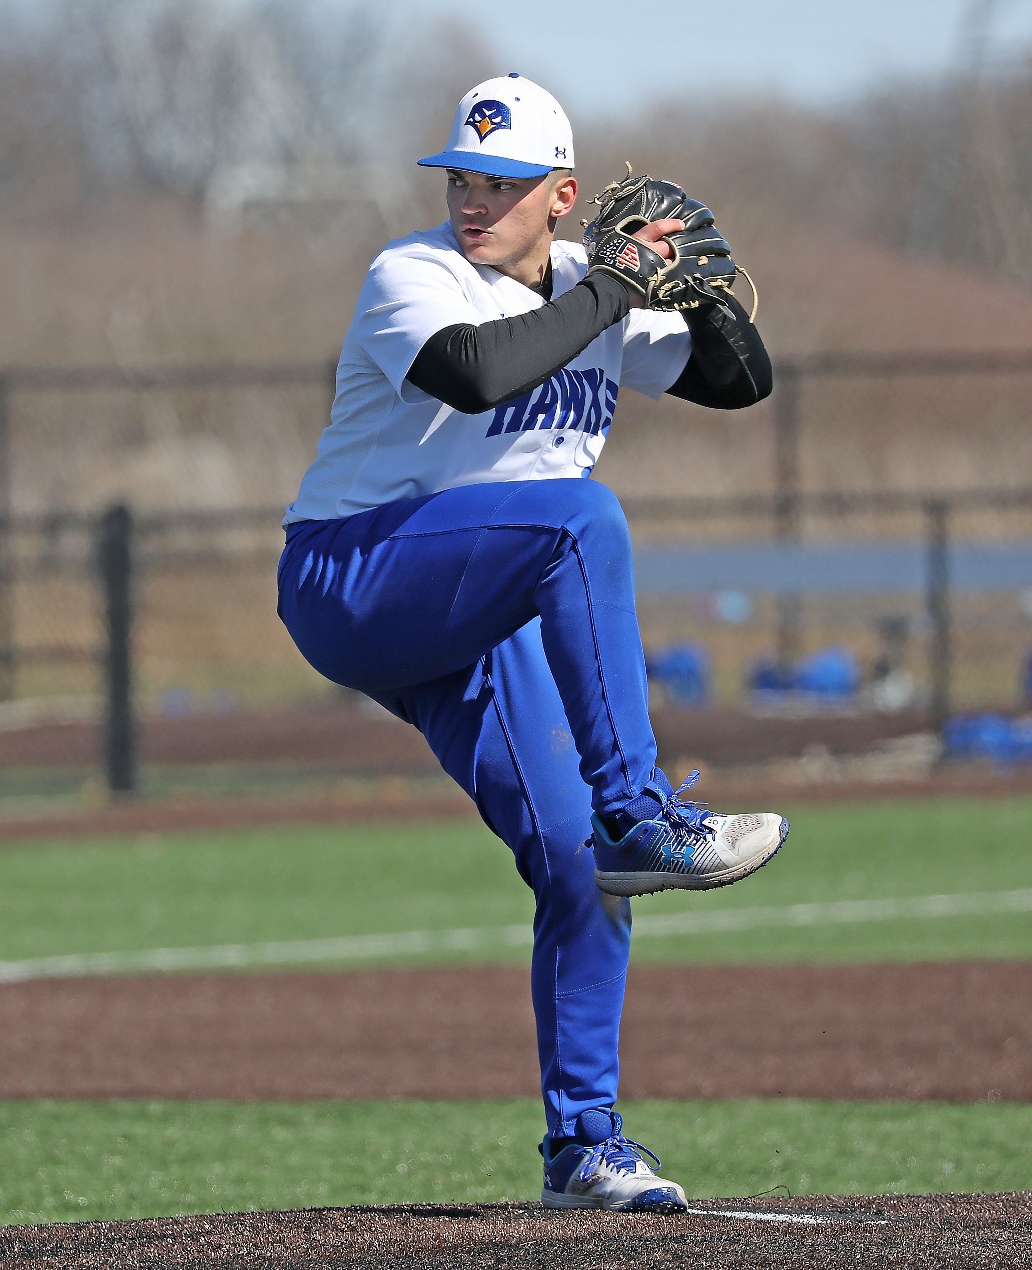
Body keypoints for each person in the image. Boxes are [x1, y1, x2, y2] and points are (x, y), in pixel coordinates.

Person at [276, 73, 785, 1214]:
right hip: (351, 575)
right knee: (579, 518)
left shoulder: (590, 288)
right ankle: (644, 809)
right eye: (462, 177)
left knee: (575, 857)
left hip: (483, 604)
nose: (473, 200)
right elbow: (474, 372)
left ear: (560, 194)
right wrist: (614, 287)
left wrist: (699, 297)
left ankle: (585, 1148)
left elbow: (742, 384)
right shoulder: (411, 274)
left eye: (502, 184)